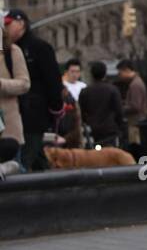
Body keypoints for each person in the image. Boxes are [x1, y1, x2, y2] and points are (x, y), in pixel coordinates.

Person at [3, 10, 64, 172]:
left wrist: (55, 108)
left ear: (21, 23)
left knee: (23, 160)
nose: (6, 27)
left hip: (33, 114)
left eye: (9, 24)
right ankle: (53, 188)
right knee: (37, 160)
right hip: (16, 115)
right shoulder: (8, 50)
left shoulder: (38, 48)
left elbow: (52, 81)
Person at [0, 22, 31, 164]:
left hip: (8, 132)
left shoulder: (12, 51)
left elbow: (24, 84)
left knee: (12, 178)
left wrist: (2, 84)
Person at [78, 62, 126, 148]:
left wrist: (86, 123)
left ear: (91, 74)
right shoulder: (112, 90)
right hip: (110, 130)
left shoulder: (85, 91)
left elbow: (81, 112)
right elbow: (119, 111)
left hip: (93, 130)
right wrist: (120, 126)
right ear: (105, 74)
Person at [116, 59, 147, 146]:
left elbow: (135, 106)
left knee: (135, 148)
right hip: (137, 123)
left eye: (120, 72)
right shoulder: (137, 82)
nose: (120, 76)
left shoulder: (135, 85)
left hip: (135, 124)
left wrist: (121, 108)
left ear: (127, 70)